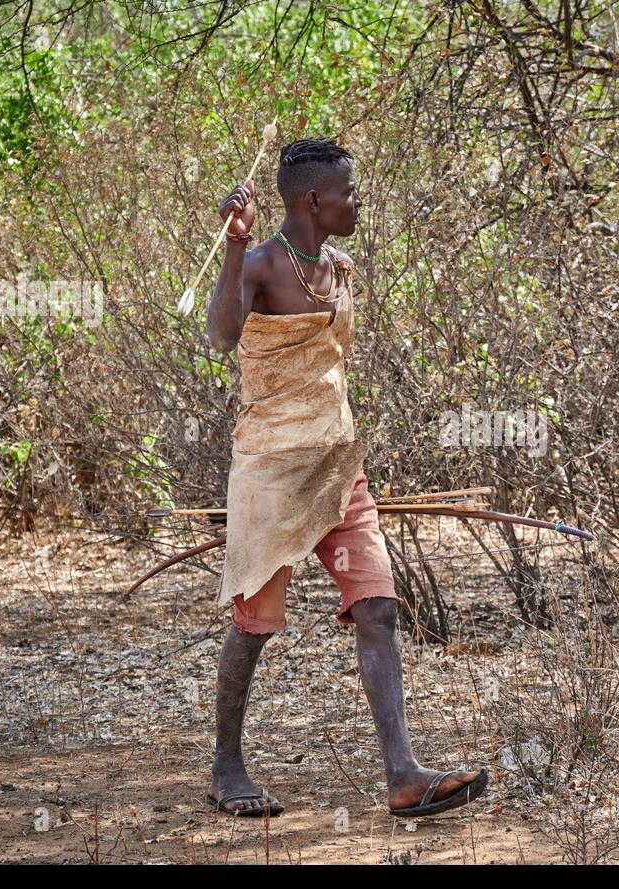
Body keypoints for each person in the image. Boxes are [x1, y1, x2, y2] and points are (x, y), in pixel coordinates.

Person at [203, 136, 488, 819]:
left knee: (378, 606)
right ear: (312, 200)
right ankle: (225, 769)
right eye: (349, 193)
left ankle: (403, 775)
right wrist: (234, 246)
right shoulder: (264, 264)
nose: (358, 202)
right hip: (272, 468)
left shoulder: (340, 267)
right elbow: (220, 336)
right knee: (255, 623)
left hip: (338, 463)